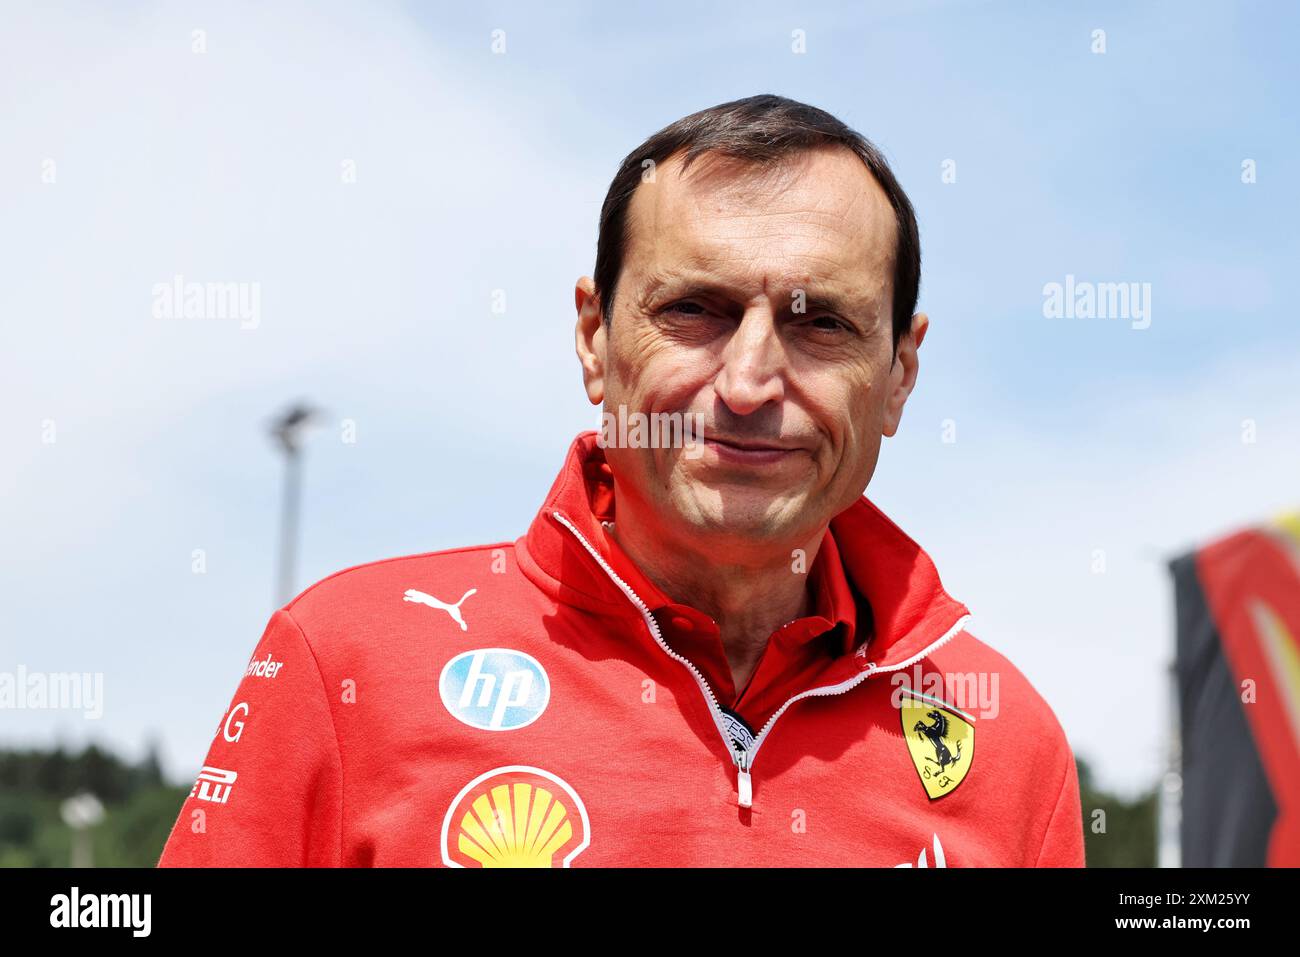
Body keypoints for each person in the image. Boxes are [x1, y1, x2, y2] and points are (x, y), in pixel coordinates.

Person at [158, 94, 1085, 867]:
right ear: (594, 340)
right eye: (695, 310)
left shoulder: (1008, 743)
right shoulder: (343, 661)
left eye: (822, 324)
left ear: (899, 376)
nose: (750, 382)